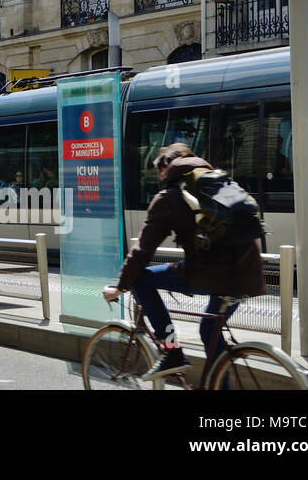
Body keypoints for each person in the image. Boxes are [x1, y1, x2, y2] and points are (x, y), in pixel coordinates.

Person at [103, 142, 265, 381]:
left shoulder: (169, 196)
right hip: (248, 270)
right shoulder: (218, 181)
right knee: (209, 330)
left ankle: (172, 352)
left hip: (216, 272)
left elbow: (143, 250)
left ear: (164, 170)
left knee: (140, 279)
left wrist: (121, 285)